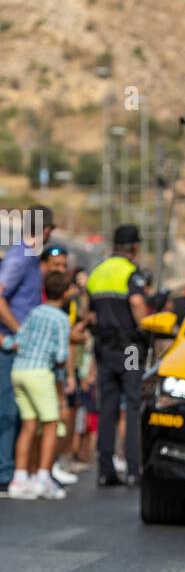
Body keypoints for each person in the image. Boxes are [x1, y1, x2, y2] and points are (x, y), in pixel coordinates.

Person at [86, 225, 150, 487]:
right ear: (134, 247)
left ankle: (105, 469)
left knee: (107, 408)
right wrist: (146, 326)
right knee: (133, 405)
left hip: (103, 347)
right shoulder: (130, 273)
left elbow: (88, 313)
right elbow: (136, 304)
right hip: (130, 348)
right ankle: (134, 470)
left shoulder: (97, 273)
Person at [0, 205, 54, 494]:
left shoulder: (30, 259)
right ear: (46, 230)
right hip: (11, 347)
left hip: (20, 348)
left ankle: (17, 472)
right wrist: (20, 333)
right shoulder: (21, 258)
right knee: (8, 412)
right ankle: (5, 472)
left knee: (21, 413)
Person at [7, 269, 71, 499]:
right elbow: (61, 356)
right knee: (51, 424)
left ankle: (20, 478)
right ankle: (43, 478)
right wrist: (64, 381)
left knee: (28, 425)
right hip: (39, 372)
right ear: (65, 293)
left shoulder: (34, 312)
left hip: (19, 369)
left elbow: (20, 339)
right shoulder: (61, 318)